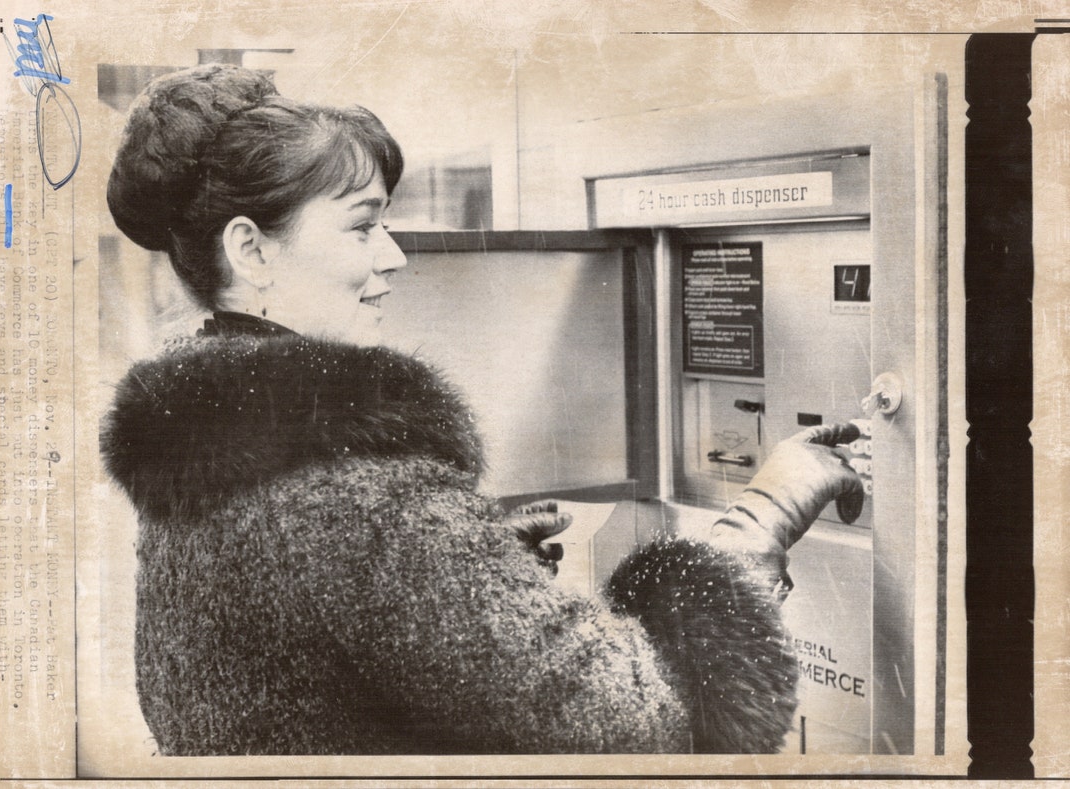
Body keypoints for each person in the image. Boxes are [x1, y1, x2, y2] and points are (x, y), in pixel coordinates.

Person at [101, 63, 864, 756]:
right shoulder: (365, 494)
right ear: (252, 249)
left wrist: (465, 565)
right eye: (363, 225)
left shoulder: (196, 448)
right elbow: (634, 722)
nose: (393, 256)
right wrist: (758, 520)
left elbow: (301, 652)